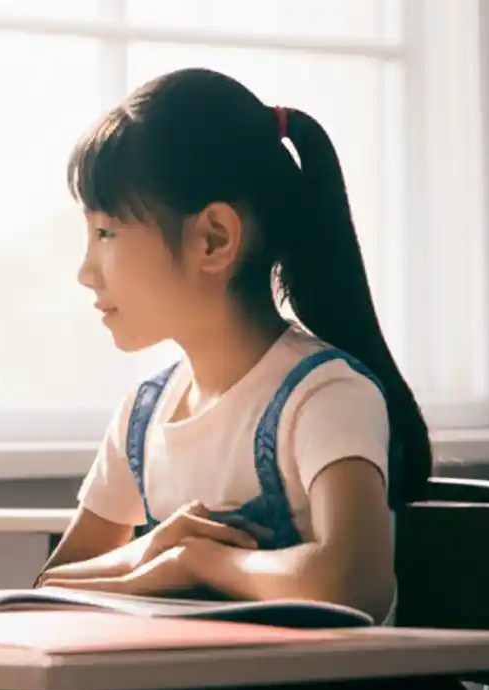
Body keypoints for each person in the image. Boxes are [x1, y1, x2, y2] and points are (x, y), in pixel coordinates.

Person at [39, 68, 430, 625]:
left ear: (213, 239)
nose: (85, 272)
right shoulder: (142, 414)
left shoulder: (326, 395)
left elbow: (355, 581)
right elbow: (50, 585)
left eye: (106, 233)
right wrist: (151, 553)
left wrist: (202, 561)